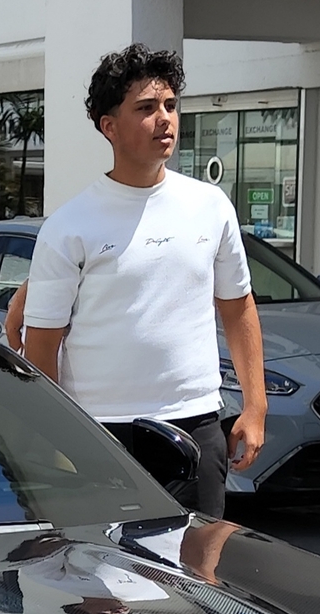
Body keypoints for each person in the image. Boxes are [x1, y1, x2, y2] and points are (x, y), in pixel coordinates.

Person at [19, 45, 265, 519]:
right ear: (109, 126)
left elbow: (238, 308)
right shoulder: (71, 225)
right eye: (147, 108)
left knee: (198, 583)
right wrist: (59, 442)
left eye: (171, 105)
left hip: (197, 425)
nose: (165, 119)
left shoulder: (210, 206)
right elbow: (42, 345)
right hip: (98, 434)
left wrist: (255, 408)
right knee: (105, 589)